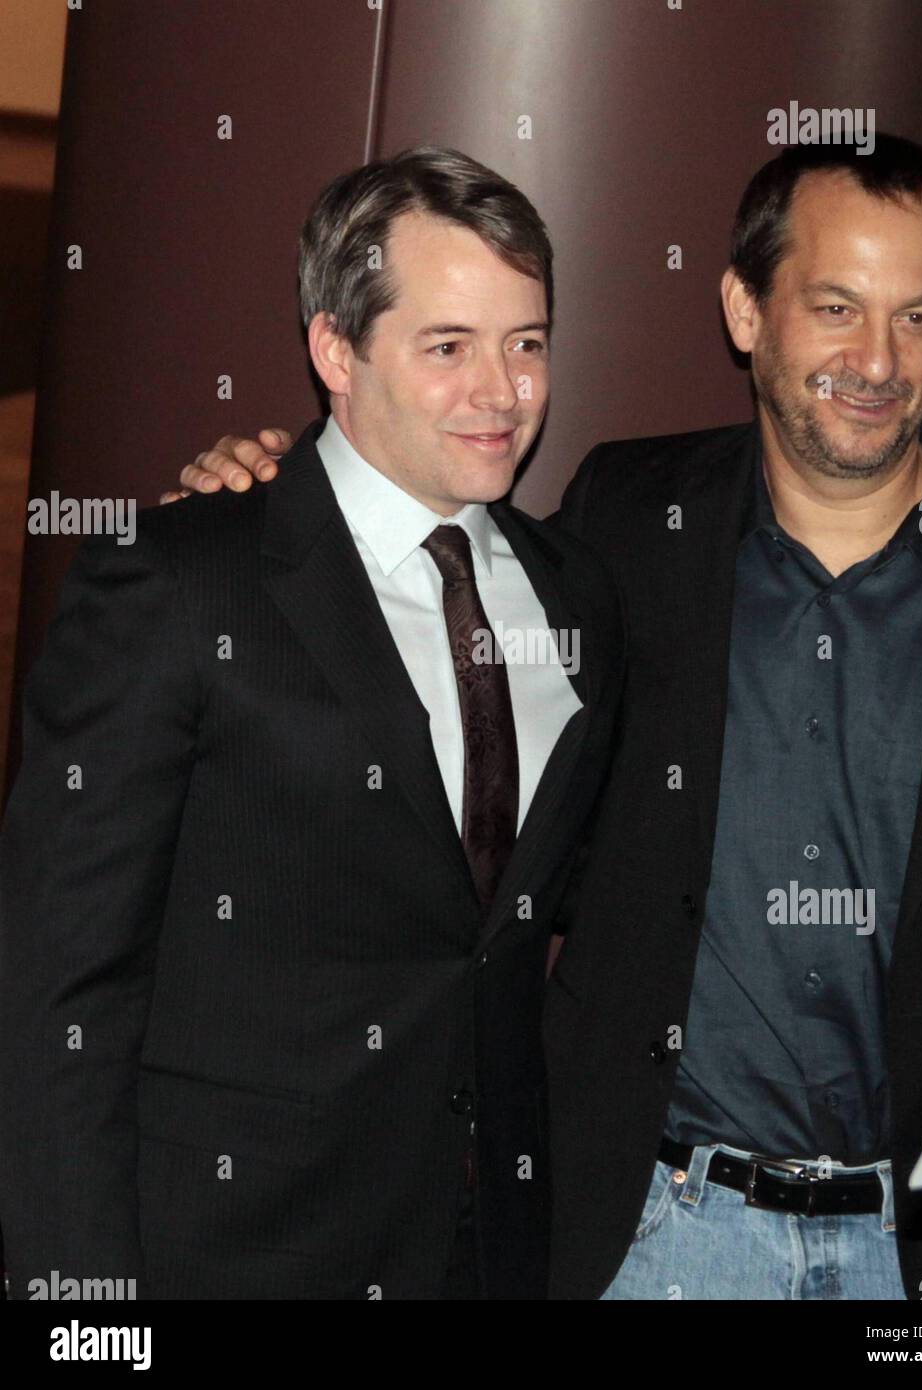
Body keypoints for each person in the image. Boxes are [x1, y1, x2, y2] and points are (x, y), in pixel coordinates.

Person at [180, 134, 922, 1300]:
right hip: (651, 1235)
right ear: (743, 309)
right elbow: (430, 639)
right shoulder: (629, 523)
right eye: (835, 307)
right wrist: (272, 502)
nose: (877, 360)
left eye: (917, 317)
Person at [0, 147, 624, 1300]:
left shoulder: (574, 595)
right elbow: (54, 996)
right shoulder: (180, 583)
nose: (502, 392)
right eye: (447, 345)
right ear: (334, 348)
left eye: (525, 342)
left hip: (482, 1255)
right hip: (227, 1256)